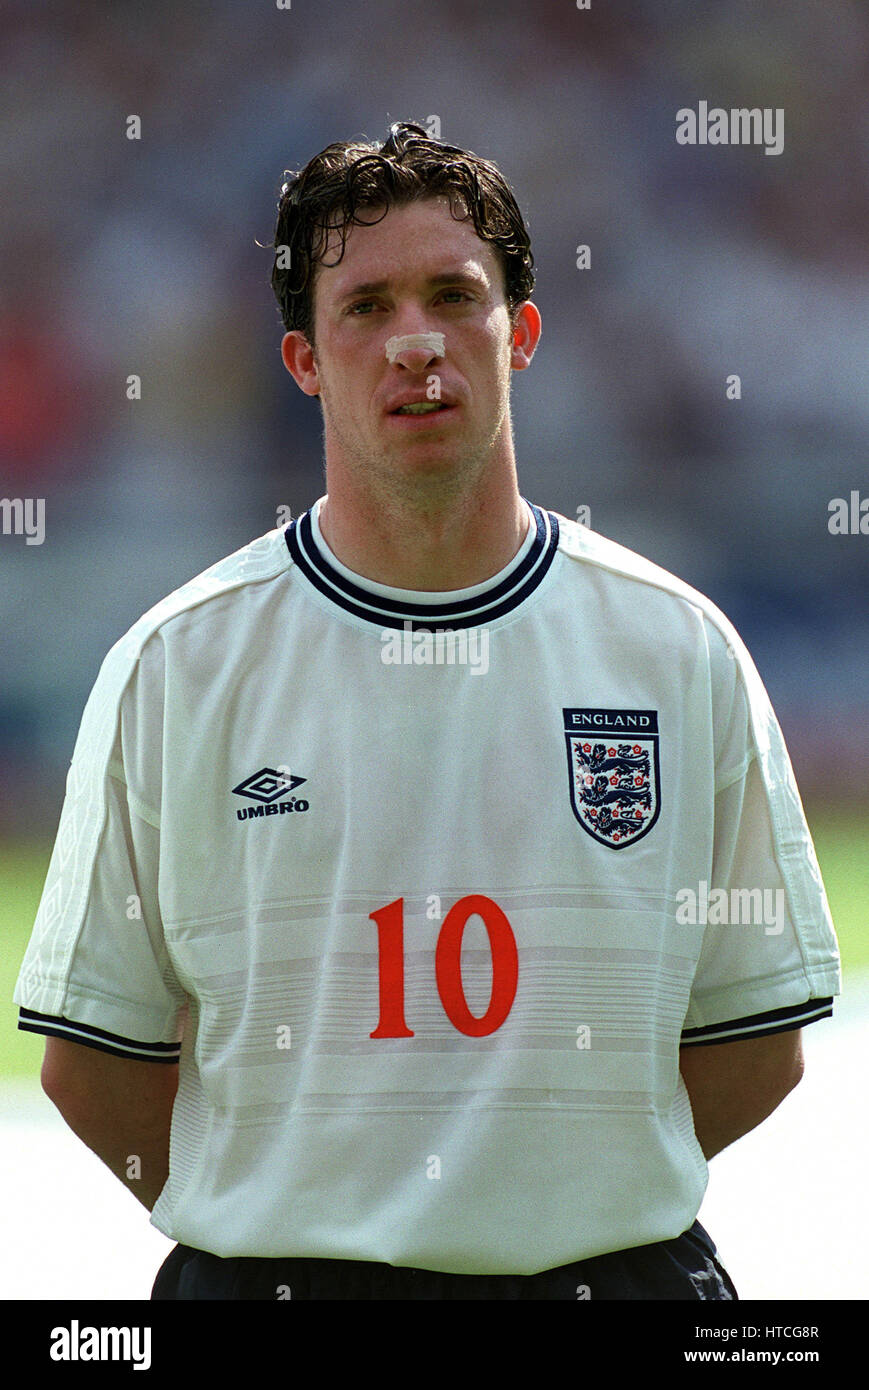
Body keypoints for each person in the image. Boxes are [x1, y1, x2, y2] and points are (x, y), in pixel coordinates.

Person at [14, 122, 841, 1301]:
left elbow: (755, 1044)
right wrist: (287, 1218)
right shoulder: (175, 665)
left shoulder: (674, 646)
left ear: (521, 333)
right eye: (366, 307)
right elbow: (94, 1071)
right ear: (302, 359)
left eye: (455, 295)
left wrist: (545, 1213)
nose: (416, 342)